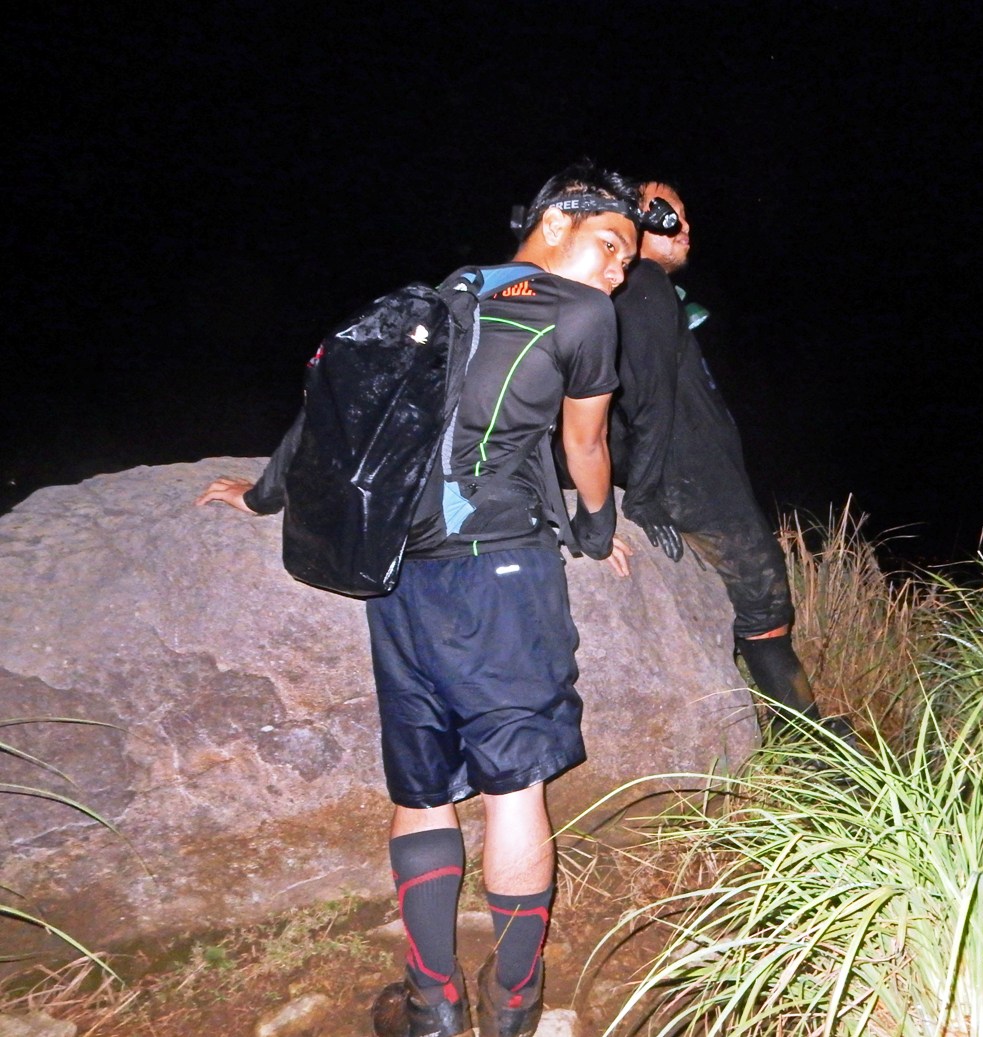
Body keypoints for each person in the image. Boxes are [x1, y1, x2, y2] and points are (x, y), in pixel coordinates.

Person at [196, 161, 640, 1037]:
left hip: (400, 577)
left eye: (627, 258)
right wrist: (595, 530)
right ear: (556, 222)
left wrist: (260, 494)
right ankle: (514, 1006)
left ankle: (432, 1004)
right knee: (514, 792)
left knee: (424, 788)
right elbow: (585, 445)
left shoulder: (441, 297)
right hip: (503, 577)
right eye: (611, 245)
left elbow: (340, 408)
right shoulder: (582, 311)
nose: (621, 269)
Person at [611, 180, 843, 742]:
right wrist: (642, 498)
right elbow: (644, 398)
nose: (686, 229)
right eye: (670, 216)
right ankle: (808, 739)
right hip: (690, 480)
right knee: (764, 598)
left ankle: (793, 731)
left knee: (753, 603)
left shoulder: (642, 291)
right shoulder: (641, 283)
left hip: (692, 471)